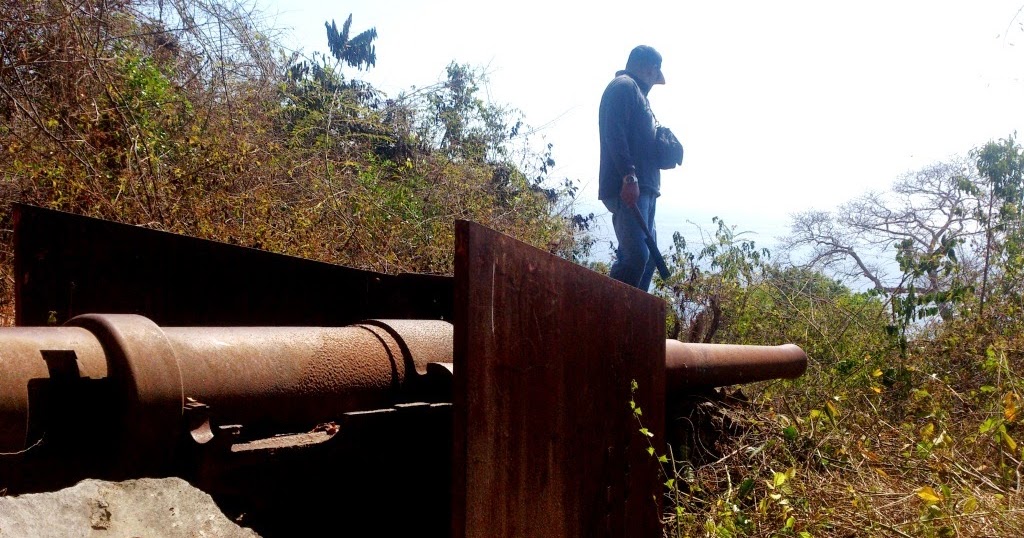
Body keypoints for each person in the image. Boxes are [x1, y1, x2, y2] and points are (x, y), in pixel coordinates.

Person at [598, 45, 667, 291]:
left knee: (647, 260)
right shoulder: (624, 87)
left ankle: (633, 312)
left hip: (644, 189)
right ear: (651, 68)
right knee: (636, 256)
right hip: (628, 187)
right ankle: (610, 309)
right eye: (656, 72)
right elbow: (613, 133)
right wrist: (629, 177)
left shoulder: (636, 92)